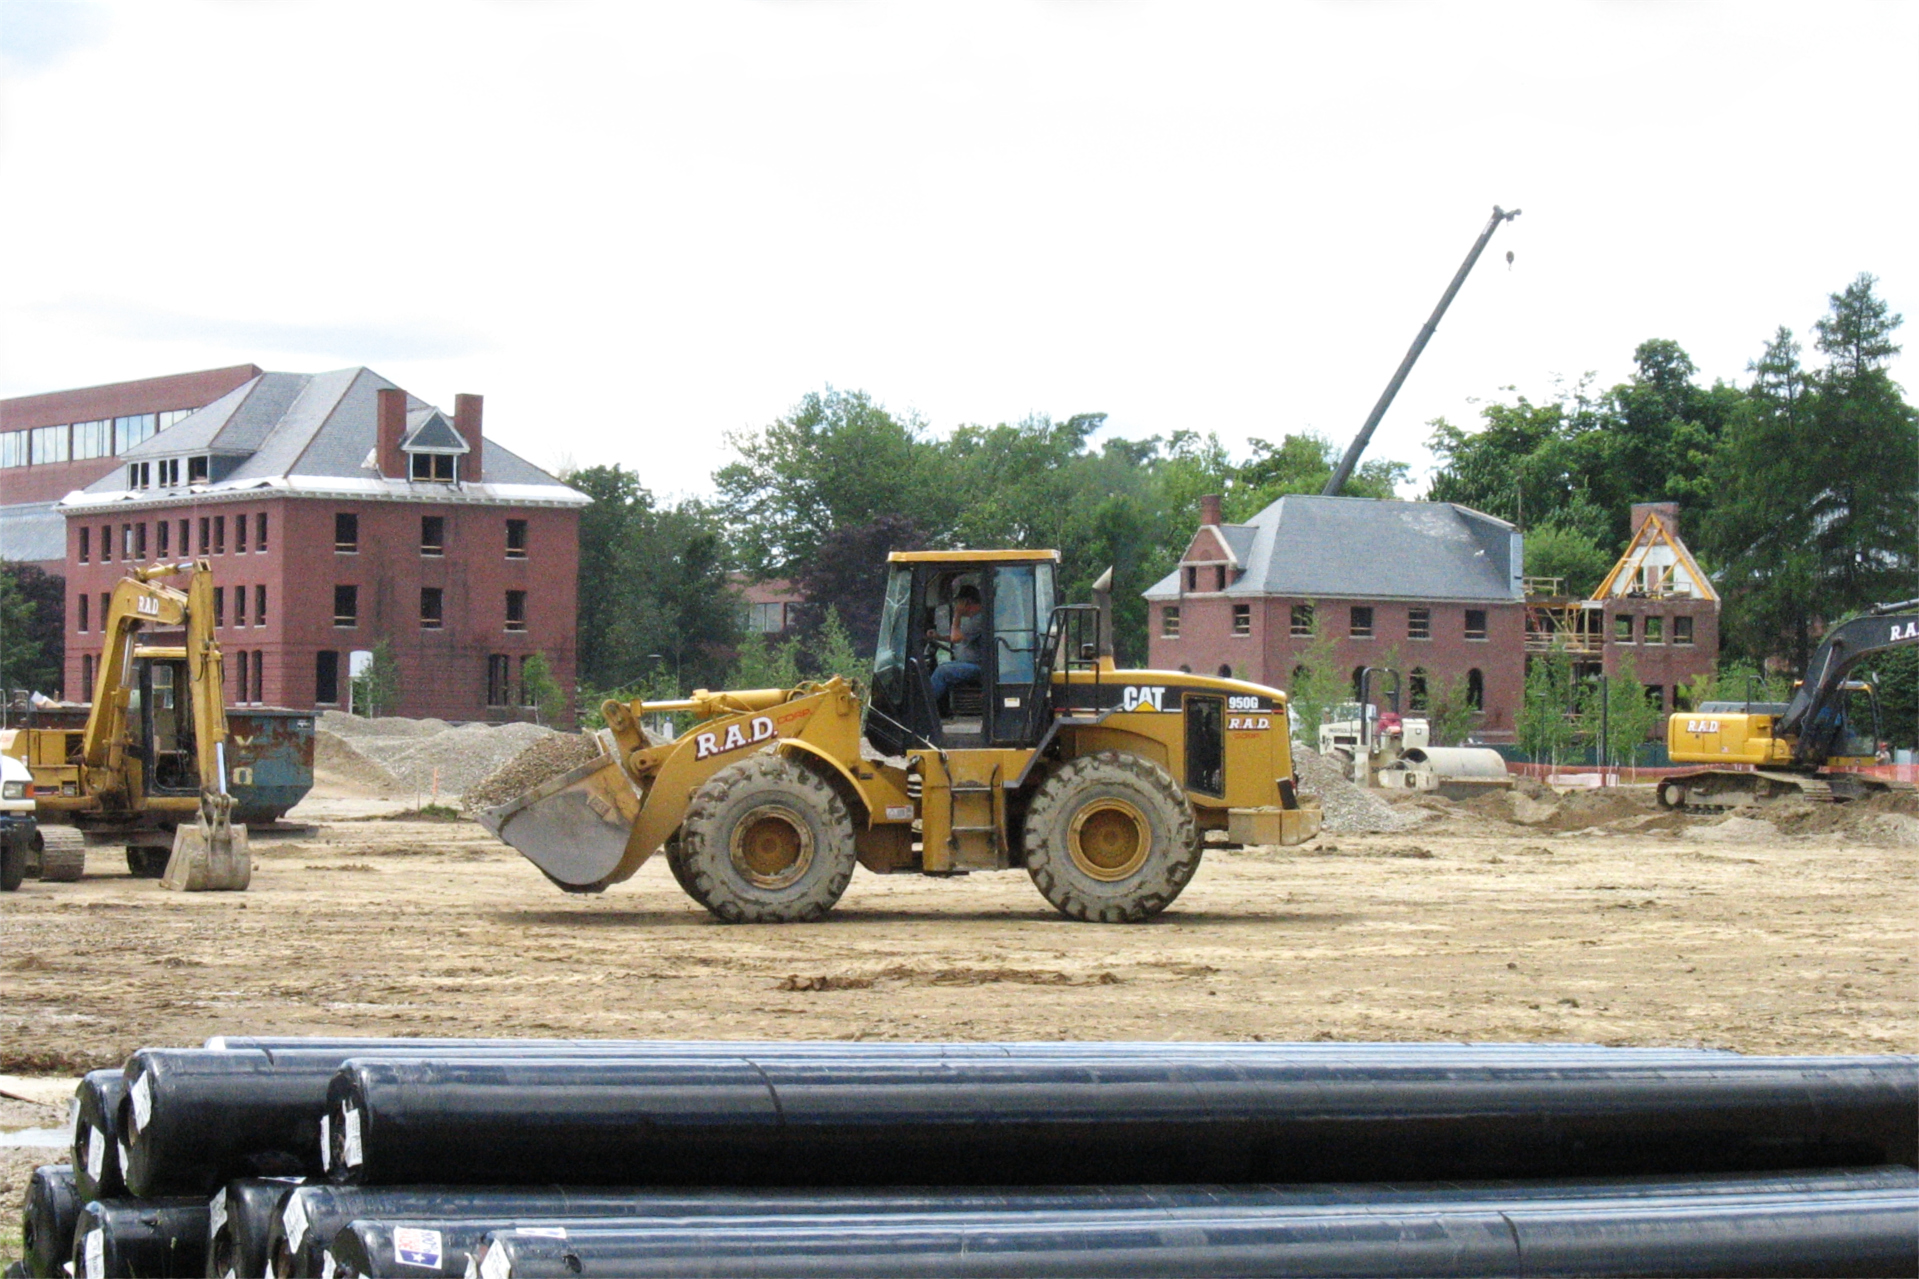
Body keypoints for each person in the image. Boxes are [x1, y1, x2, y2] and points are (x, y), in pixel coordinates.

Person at [929, 584, 984, 704]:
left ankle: (924, 708)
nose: (956, 606)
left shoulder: (980, 619)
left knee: (943, 672)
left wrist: (957, 614)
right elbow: (960, 637)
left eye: (959, 602)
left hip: (978, 666)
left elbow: (956, 638)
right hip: (971, 663)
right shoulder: (975, 619)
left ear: (967, 602)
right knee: (943, 667)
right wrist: (938, 637)